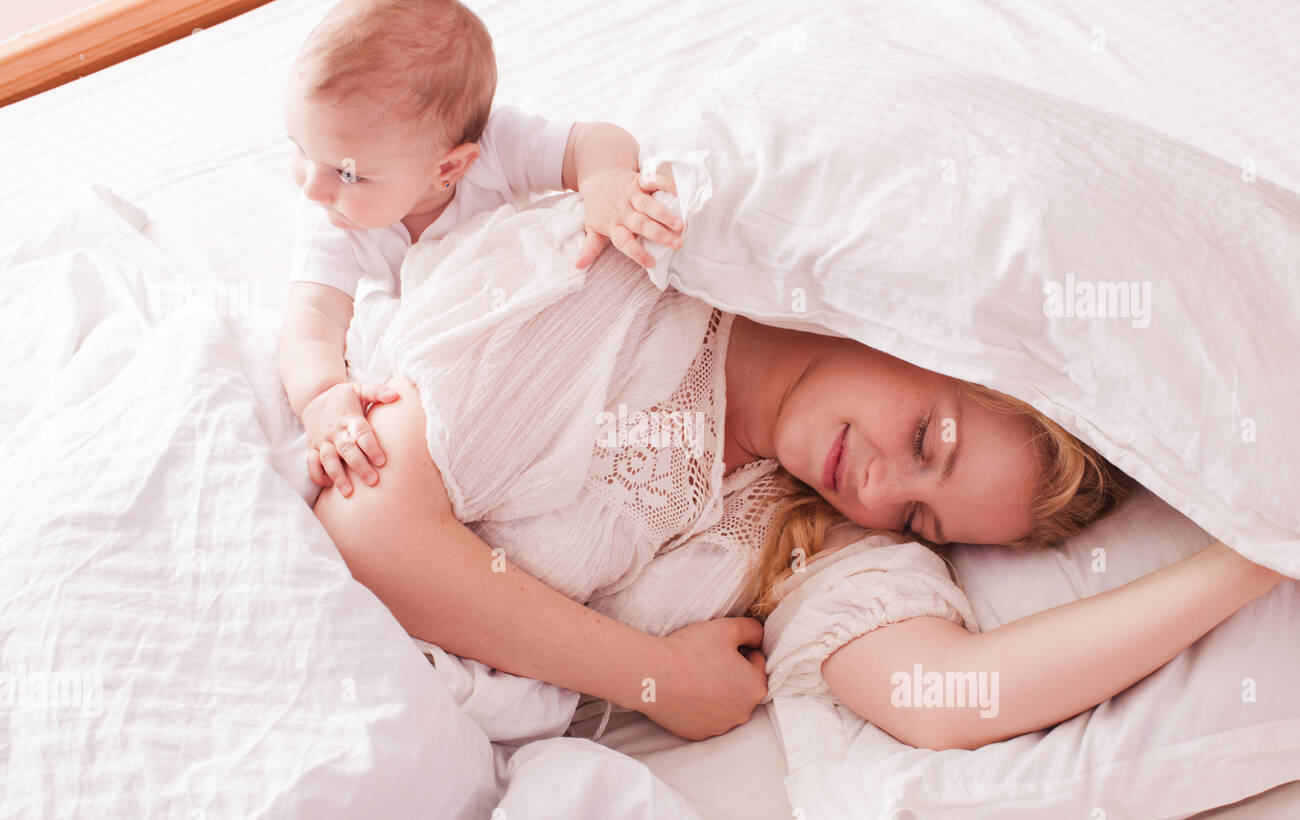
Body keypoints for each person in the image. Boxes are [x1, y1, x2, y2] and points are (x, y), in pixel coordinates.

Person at [308, 199, 1286, 746]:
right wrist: (652, 676)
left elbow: (943, 692)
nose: (876, 487)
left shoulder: (803, 523)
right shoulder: (624, 279)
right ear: (927, 338)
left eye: (921, 516)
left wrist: (1256, 555)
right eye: (927, 440)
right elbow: (372, 525)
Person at [278, 0, 682, 498]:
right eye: (298, 147)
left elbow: (591, 142)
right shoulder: (333, 219)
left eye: (346, 173)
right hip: (450, 345)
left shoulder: (496, 148)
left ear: (449, 168)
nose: (310, 187)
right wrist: (321, 395)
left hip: (523, 309)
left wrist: (606, 182)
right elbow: (311, 315)